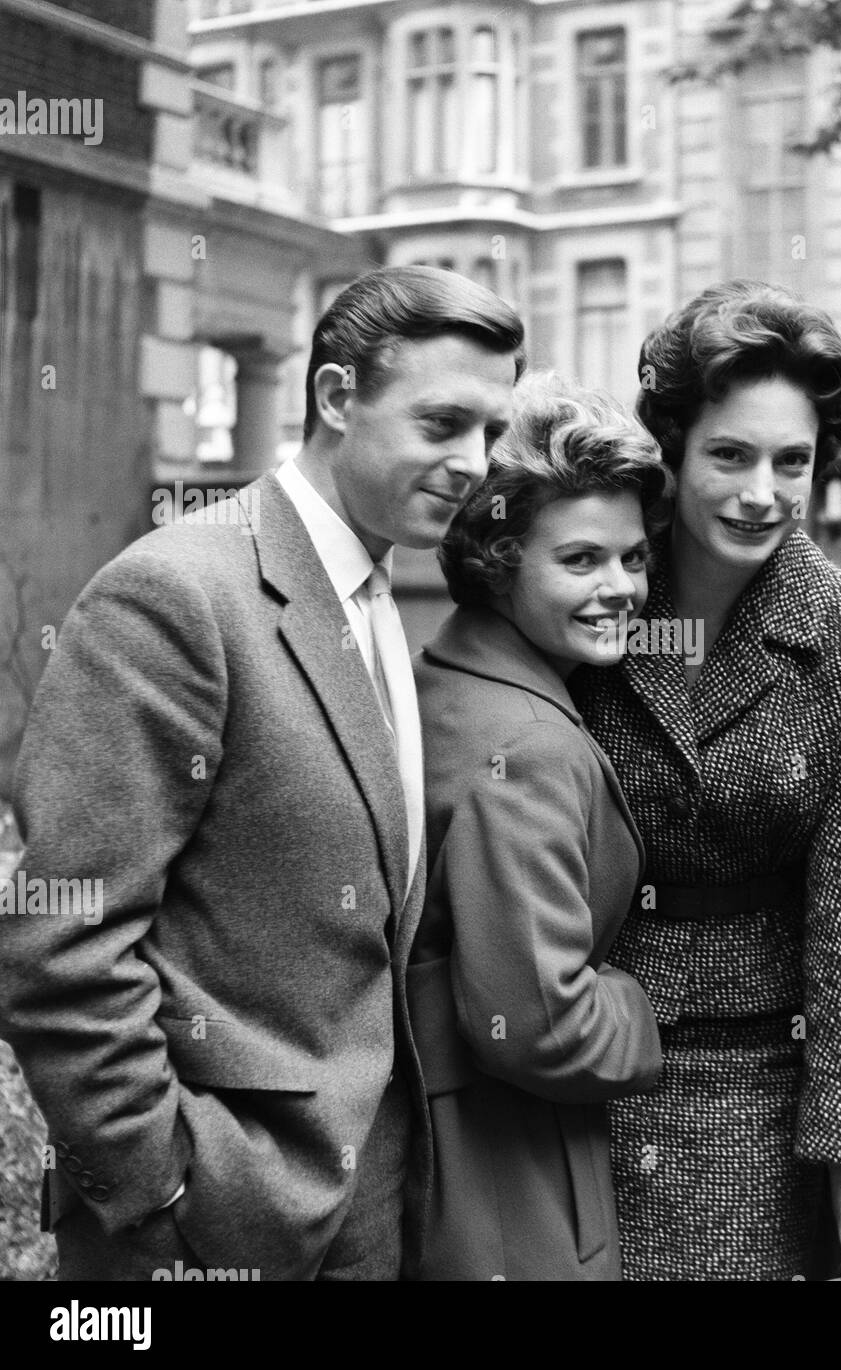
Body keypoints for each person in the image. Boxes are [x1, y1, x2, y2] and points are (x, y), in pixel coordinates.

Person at [0, 265, 522, 1280]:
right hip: (204, 1223)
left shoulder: (383, 599)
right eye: (444, 422)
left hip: (368, 1203)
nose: (473, 463)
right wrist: (166, 1192)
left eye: (491, 435)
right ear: (334, 397)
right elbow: (60, 943)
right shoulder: (176, 594)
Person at [573, 281, 841, 1281]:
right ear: (674, 444)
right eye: (729, 454)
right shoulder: (593, 589)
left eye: (792, 461)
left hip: (757, 1082)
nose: (760, 491)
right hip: (568, 1059)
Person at [407, 374, 668, 1280]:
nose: (620, 588)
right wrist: (644, 1008)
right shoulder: (528, 743)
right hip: (505, 1176)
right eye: (582, 560)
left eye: (633, 559)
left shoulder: (443, 676)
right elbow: (541, 1022)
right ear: (500, 557)